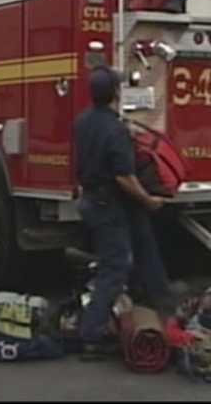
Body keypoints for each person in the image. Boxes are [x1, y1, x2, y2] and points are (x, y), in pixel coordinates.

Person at [73, 66, 174, 360]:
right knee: (115, 266)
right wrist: (148, 199)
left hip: (93, 200)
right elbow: (123, 177)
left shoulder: (82, 122)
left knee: (143, 243)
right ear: (116, 93)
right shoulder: (115, 129)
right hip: (109, 203)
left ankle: (160, 301)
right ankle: (91, 336)